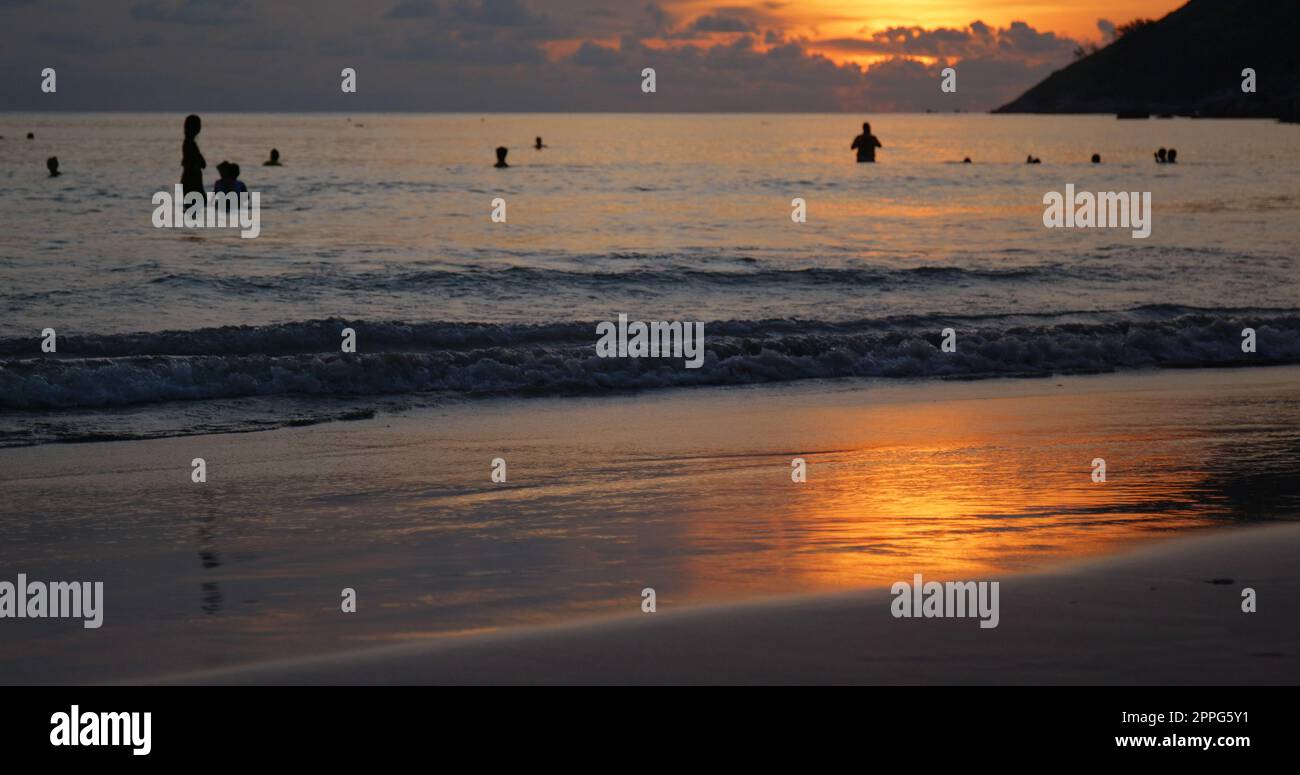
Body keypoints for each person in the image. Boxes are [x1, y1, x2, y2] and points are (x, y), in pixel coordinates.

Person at [181, 114, 206, 196]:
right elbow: (199, 163)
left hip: (191, 179)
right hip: (192, 180)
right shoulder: (189, 144)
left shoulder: (189, 143)